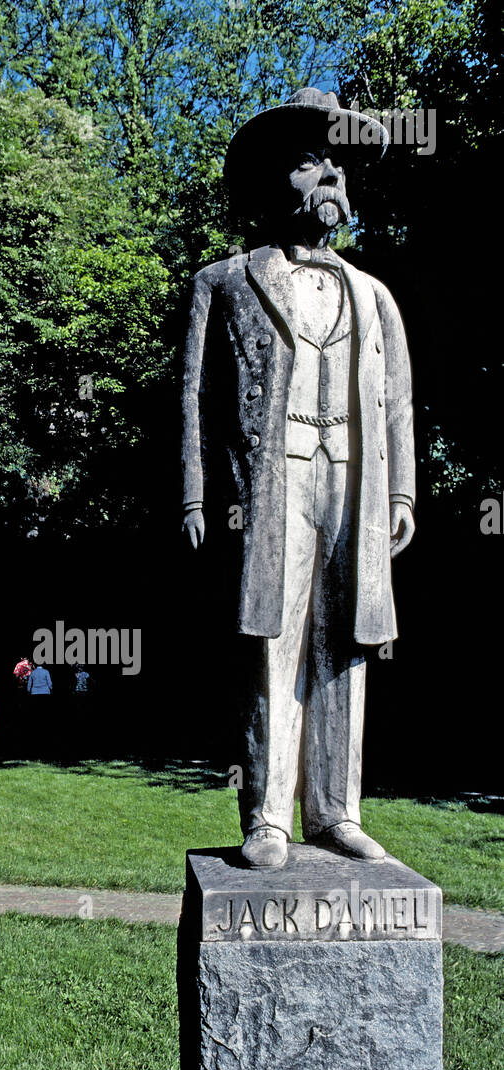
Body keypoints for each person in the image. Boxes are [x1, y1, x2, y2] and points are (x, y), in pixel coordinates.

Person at [182, 89, 415, 870]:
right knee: (270, 641)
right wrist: (195, 492)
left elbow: (398, 405)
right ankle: (268, 818)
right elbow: (192, 397)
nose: (329, 180)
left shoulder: (372, 294)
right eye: (311, 162)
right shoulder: (223, 281)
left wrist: (401, 494)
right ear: (269, 179)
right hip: (269, 480)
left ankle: (336, 811)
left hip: (353, 478)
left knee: (345, 644)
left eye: (338, 165)